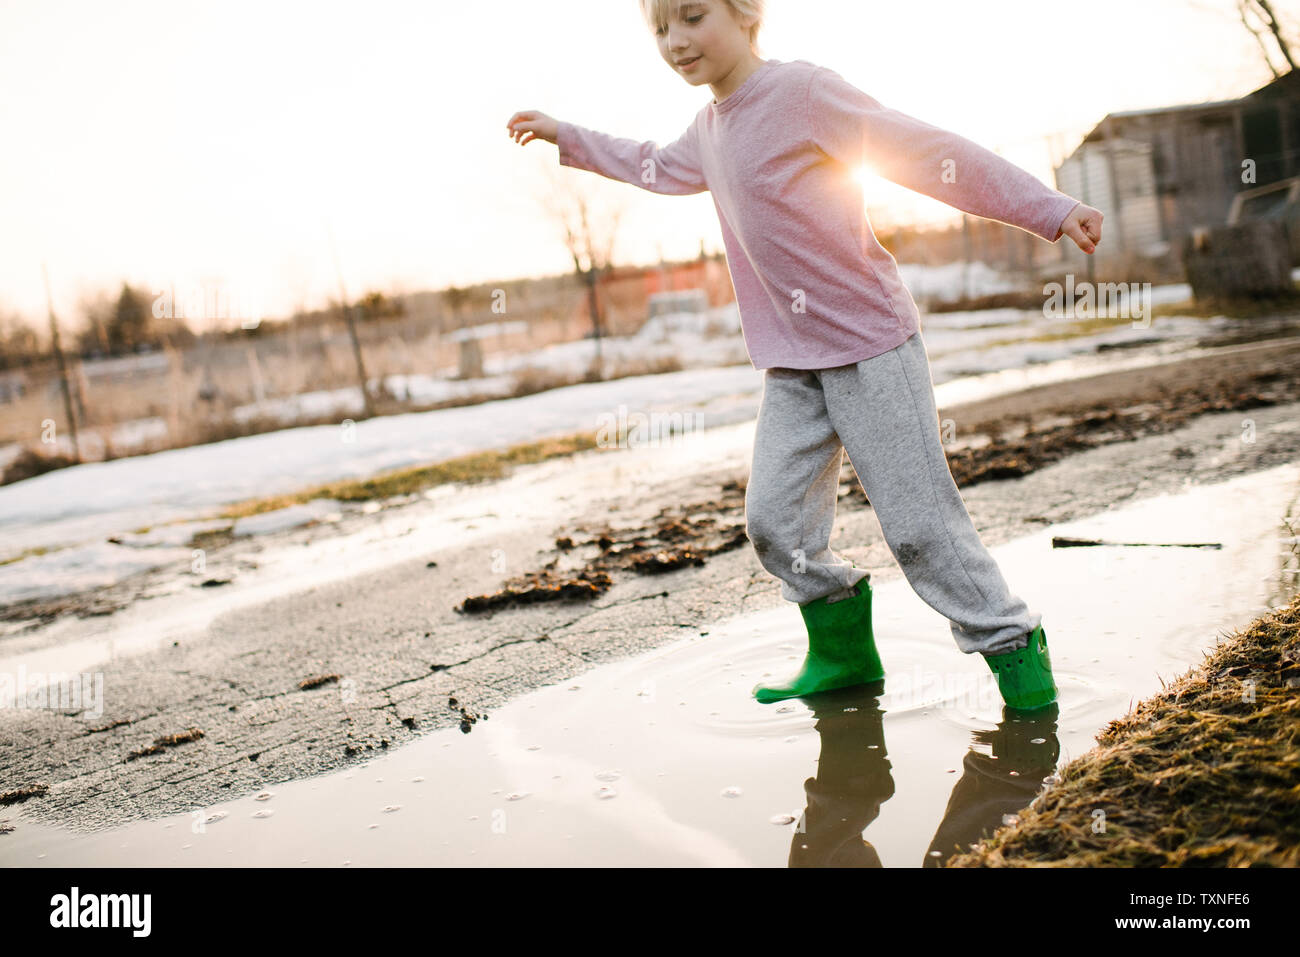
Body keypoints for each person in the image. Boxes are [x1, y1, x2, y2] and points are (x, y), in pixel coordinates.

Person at [506, 0, 1103, 711]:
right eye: (660, 28)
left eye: (693, 17)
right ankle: (843, 653)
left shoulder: (803, 93)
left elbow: (921, 151)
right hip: (792, 365)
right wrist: (564, 134)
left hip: (871, 347)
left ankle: (1016, 657)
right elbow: (649, 165)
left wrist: (1047, 207)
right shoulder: (707, 130)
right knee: (775, 524)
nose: (676, 41)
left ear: (745, 12)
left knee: (920, 529)